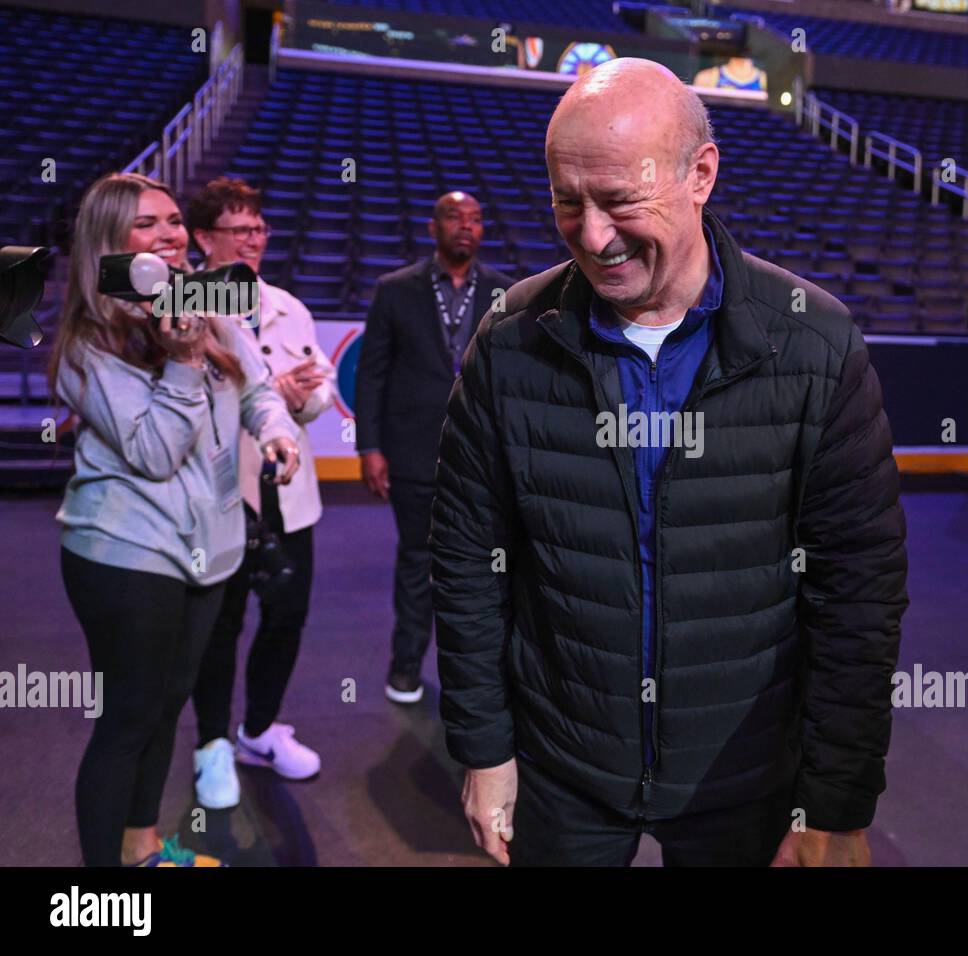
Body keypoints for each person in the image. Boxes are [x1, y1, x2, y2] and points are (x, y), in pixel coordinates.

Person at [431, 59, 907, 867]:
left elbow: (858, 592)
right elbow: (467, 565)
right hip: (563, 767)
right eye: (567, 202)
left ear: (702, 175)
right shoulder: (508, 337)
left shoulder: (816, 342)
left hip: (747, 774)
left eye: (620, 201)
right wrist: (482, 749)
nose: (591, 236)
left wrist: (836, 797)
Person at [49, 172, 299, 866]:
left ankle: (141, 851)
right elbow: (156, 452)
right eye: (146, 225)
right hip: (126, 551)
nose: (171, 236)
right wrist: (185, 363)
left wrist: (277, 429)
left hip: (207, 548)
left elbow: (256, 386)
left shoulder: (203, 295)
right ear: (108, 241)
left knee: (169, 704)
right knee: (128, 720)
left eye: (173, 221)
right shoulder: (85, 340)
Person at [186, 177, 336, 808]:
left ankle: (258, 731)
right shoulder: (182, 303)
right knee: (218, 627)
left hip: (288, 493)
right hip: (218, 497)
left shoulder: (287, 303)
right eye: (239, 229)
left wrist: (303, 397)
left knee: (287, 615)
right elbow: (188, 404)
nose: (254, 240)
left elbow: (321, 387)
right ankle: (212, 745)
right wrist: (271, 387)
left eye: (259, 228)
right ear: (203, 238)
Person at [354, 191, 514, 704]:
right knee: (416, 559)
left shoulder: (504, 292)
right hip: (411, 450)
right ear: (433, 227)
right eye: (454, 217)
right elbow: (372, 374)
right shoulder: (395, 290)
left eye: (475, 219)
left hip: (482, 456)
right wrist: (370, 447)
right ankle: (405, 665)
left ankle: (473, 675)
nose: (466, 227)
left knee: (480, 566)